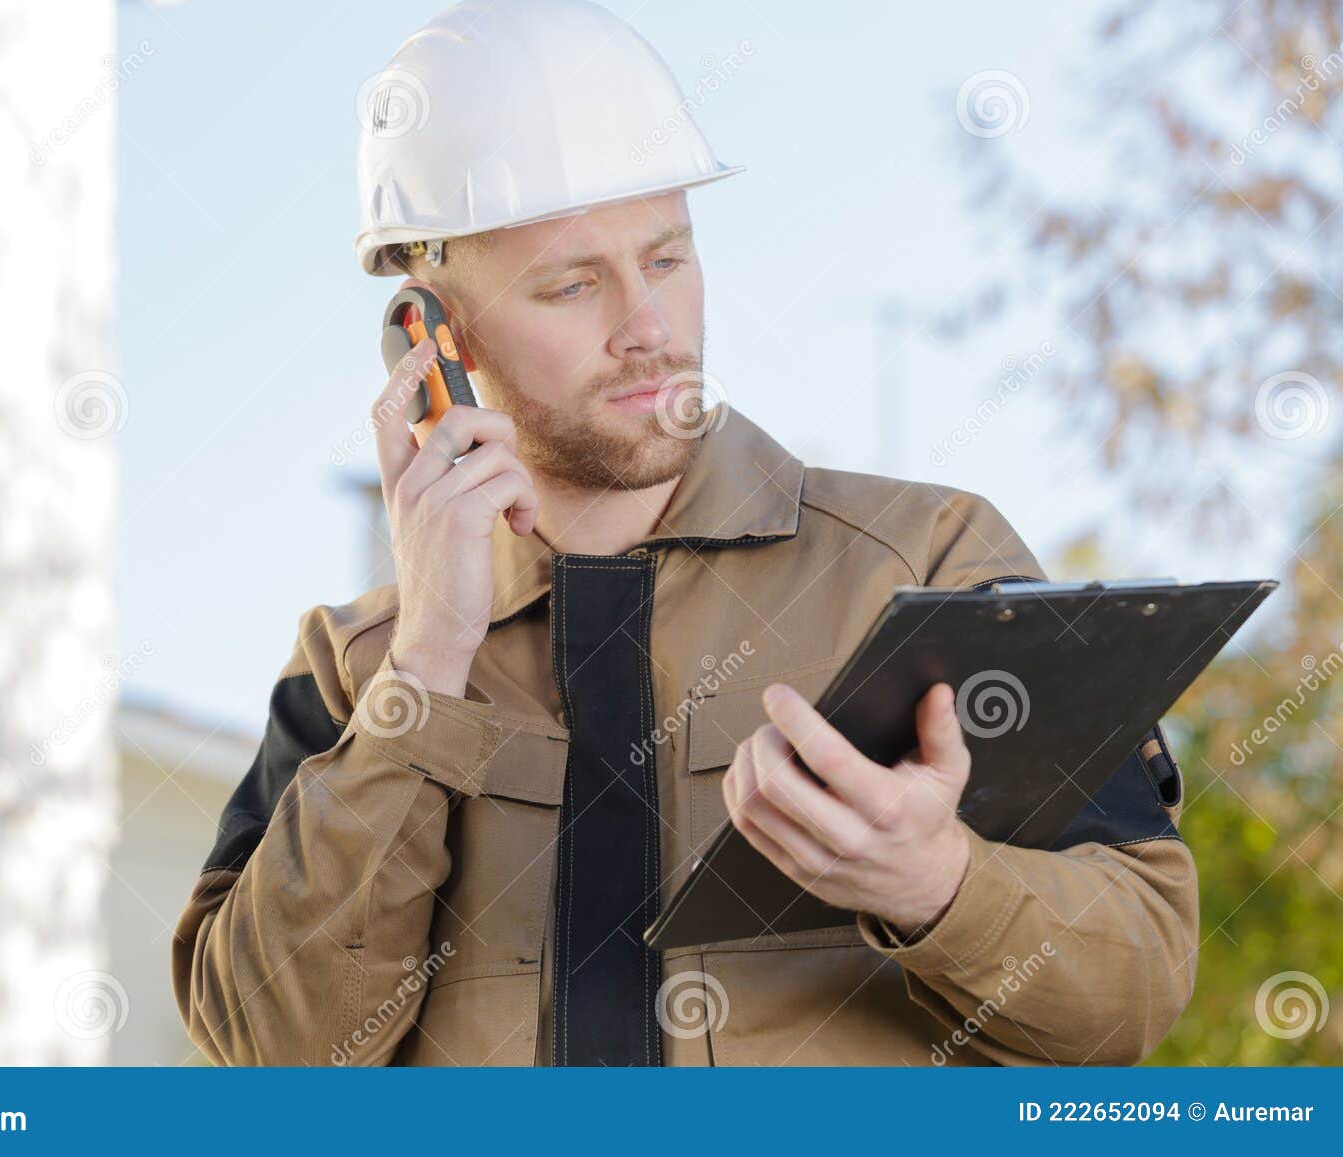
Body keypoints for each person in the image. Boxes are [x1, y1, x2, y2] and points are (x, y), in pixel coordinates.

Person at [171, 0, 1196, 1067]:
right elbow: (272, 1056)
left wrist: (935, 881)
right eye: (572, 284)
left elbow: (1134, 991)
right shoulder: (354, 671)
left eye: (666, 259)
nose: (646, 327)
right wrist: (426, 670)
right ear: (436, 340)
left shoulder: (929, 562)